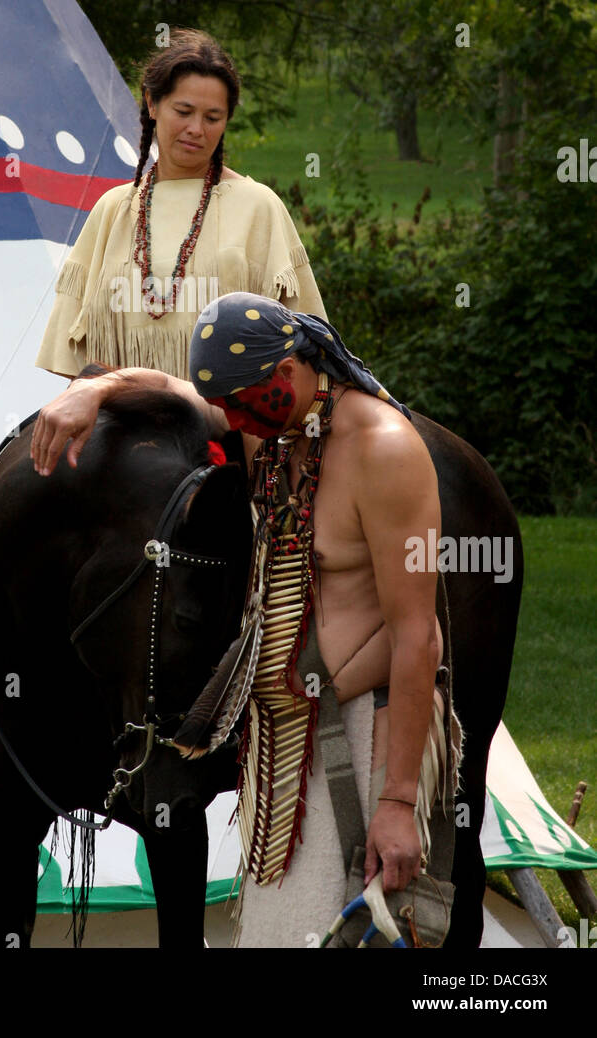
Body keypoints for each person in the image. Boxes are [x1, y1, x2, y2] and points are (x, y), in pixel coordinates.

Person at [30, 292, 457, 948]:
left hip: (367, 741)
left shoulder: (384, 449)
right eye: (225, 407)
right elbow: (176, 391)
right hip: (279, 756)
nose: (228, 423)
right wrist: (97, 390)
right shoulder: (270, 423)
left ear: (285, 375)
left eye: (237, 405)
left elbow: (416, 636)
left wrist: (398, 804)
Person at [35, 28, 326, 383]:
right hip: (120, 417)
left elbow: (307, 342)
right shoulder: (113, 209)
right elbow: (69, 355)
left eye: (212, 117)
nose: (196, 129)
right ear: (152, 104)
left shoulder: (258, 206)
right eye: (184, 111)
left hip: (230, 419)